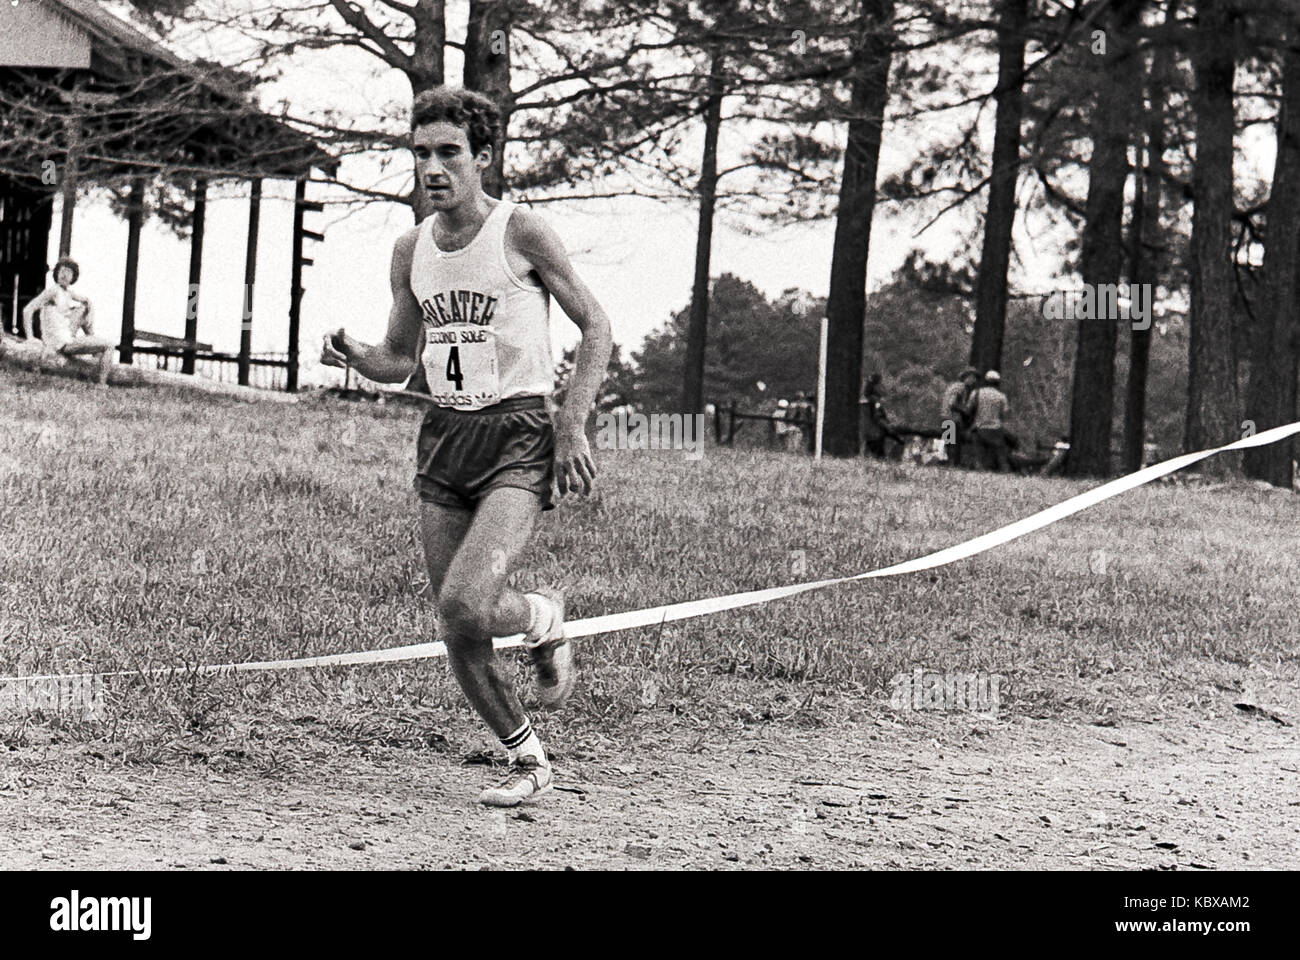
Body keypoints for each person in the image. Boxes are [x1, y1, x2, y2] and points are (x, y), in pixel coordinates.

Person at [320, 88, 613, 807]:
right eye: (421, 154)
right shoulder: (409, 248)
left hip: (517, 434)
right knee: (458, 621)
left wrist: (572, 424)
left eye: (449, 152)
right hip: (445, 438)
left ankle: (542, 617)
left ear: (483, 157)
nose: (433, 168)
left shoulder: (522, 233)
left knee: (467, 599)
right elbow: (400, 356)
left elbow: (598, 327)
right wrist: (358, 353)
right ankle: (528, 760)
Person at [21, 257, 114, 386]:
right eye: (62, 271)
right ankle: (101, 385)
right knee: (109, 345)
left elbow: (86, 300)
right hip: (60, 343)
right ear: (56, 273)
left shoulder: (67, 293)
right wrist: (30, 337)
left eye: (69, 272)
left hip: (66, 337)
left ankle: (95, 357)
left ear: (73, 277)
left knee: (83, 308)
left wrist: (88, 308)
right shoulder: (53, 291)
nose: (64, 275)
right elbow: (28, 309)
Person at [964, 369, 1012, 472]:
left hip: (979, 427)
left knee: (979, 456)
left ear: (986, 380)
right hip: (995, 429)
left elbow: (968, 410)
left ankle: (980, 471)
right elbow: (1005, 413)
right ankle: (1005, 472)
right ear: (997, 382)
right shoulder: (1001, 396)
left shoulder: (976, 393)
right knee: (1001, 456)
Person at [940, 367, 978, 466]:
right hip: (952, 418)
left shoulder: (954, 386)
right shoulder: (961, 387)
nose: (974, 381)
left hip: (945, 416)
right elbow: (951, 403)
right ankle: (953, 465)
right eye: (972, 378)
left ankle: (948, 465)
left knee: (948, 443)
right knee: (954, 444)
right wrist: (964, 412)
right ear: (967, 377)